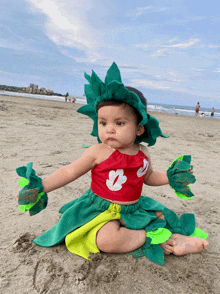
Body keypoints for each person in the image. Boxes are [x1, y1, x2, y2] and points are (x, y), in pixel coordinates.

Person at [17, 63, 208, 266]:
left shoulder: (143, 152)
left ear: (139, 129)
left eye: (119, 123)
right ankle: (151, 237)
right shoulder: (97, 152)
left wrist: (170, 177)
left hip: (133, 208)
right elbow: (69, 171)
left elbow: (149, 177)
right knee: (106, 240)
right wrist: (42, 187)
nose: (109, 129)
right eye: (103, 122)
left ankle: (174, 236)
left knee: (164, 215)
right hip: (101, 209)